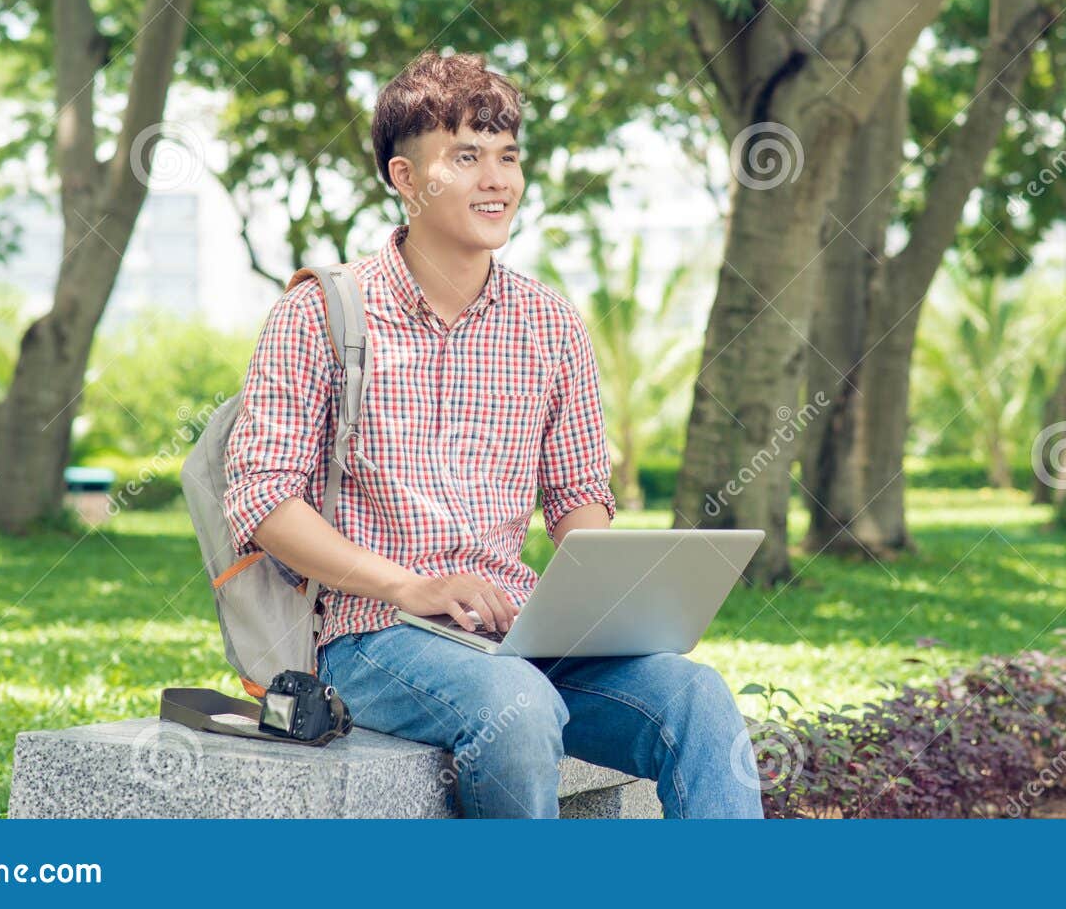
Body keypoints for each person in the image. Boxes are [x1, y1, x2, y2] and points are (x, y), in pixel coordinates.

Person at [222, 50, 763, 818]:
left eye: (508, 156)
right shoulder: (320, 315)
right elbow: (263, 499)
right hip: (373, 631)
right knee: (518, 706)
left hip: (519, 627)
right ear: (406, 179)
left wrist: (599, 593)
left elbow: (578, 495)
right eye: (467, 156)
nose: (497, 179)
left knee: (695, 697)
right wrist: (411, 585)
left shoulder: (550, 323)